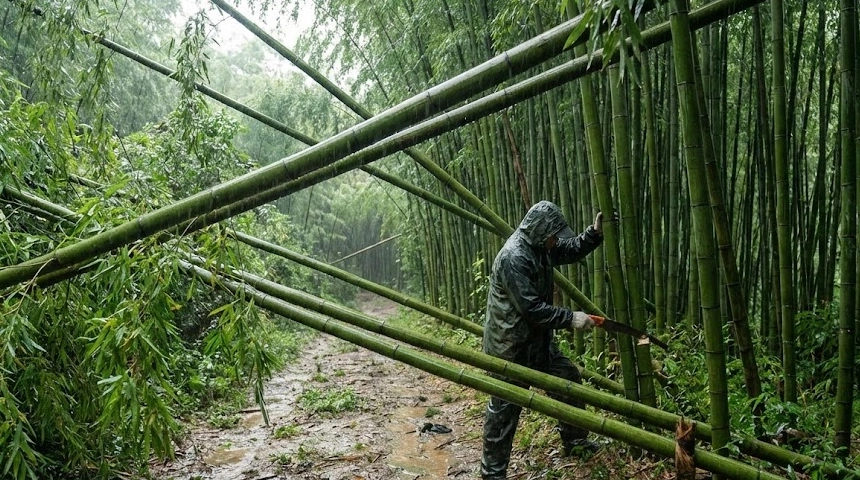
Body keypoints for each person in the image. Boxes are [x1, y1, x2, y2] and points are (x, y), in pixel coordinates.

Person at [481, 200, 605, 480]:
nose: (555, 241)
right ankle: (492, 473)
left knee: (567, 379)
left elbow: (569, 249)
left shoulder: (541, 247)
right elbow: (531, 309)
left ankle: (575, 441)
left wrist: (593, 234)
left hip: (537, 343)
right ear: (540, 231)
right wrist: (572, 319)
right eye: (553, 236)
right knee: (503, 412)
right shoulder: (514, 257)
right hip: (510, 347)